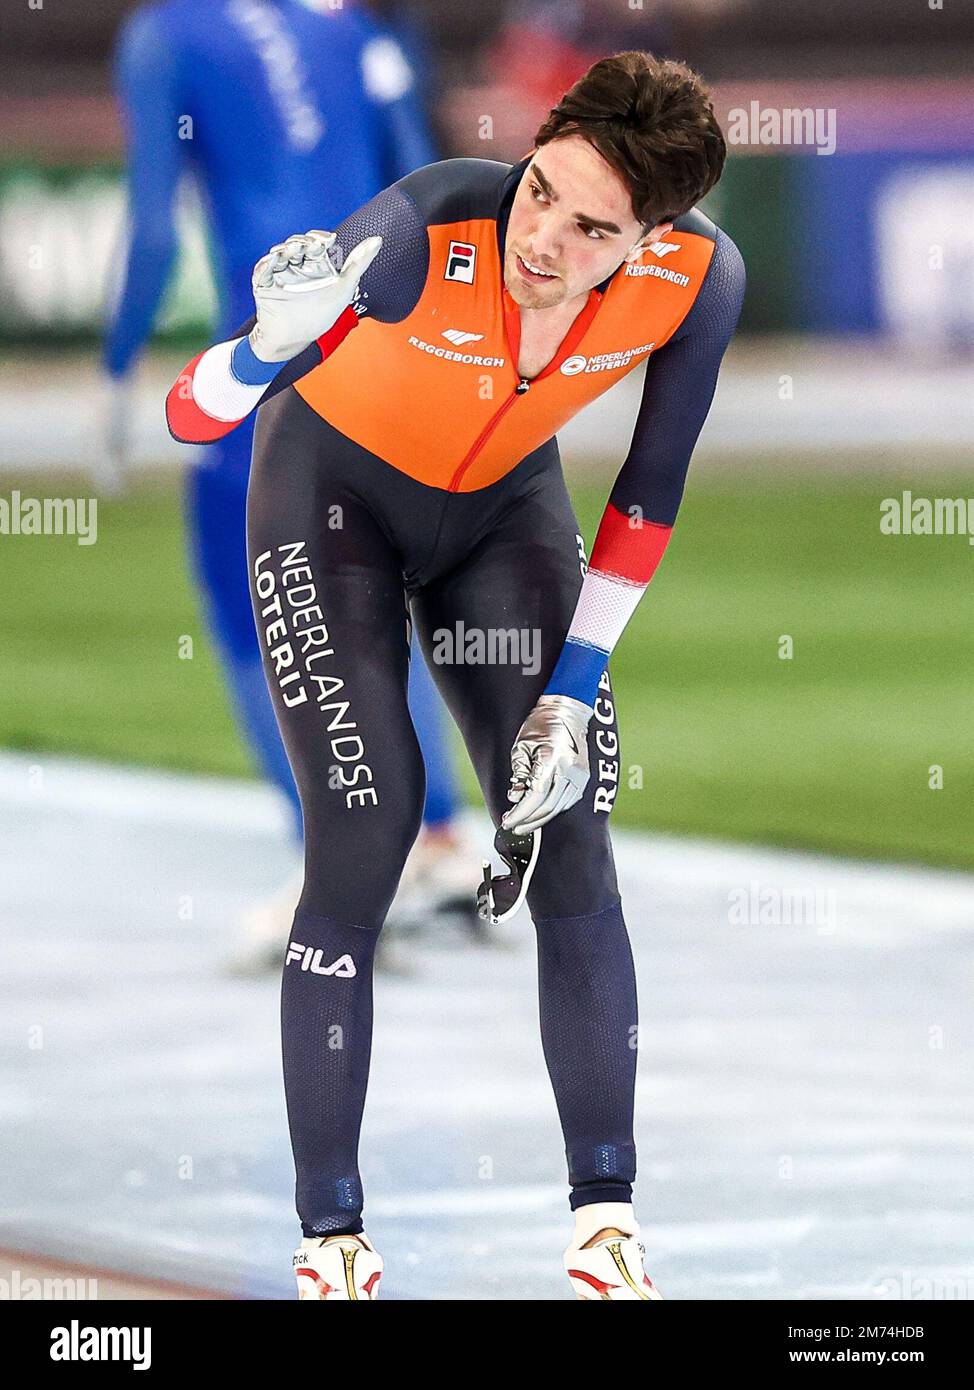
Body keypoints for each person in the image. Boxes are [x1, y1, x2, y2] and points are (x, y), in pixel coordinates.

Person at [167, 50, 745, 1300]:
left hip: (500, 519)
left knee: (571, 822)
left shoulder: (698, 282)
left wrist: (571, 688)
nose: (542, 236)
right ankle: (331, 1236)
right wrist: (263, 344)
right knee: (368, 822)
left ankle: (605, 1224)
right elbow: (191, 411)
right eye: (540, 190)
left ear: (652, 236)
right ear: (531, 148)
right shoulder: (429, 224)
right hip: (330, 504)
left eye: (592, 228)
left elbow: (647, 495)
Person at [102, 0, 467, 961]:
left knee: (249, 604)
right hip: (391, 344)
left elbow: (151, 229)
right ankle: (433, 837)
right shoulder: (345, 26)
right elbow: (421, 166)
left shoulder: (165, 36)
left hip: (272, 352)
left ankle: (341, 869)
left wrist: (116, 366)